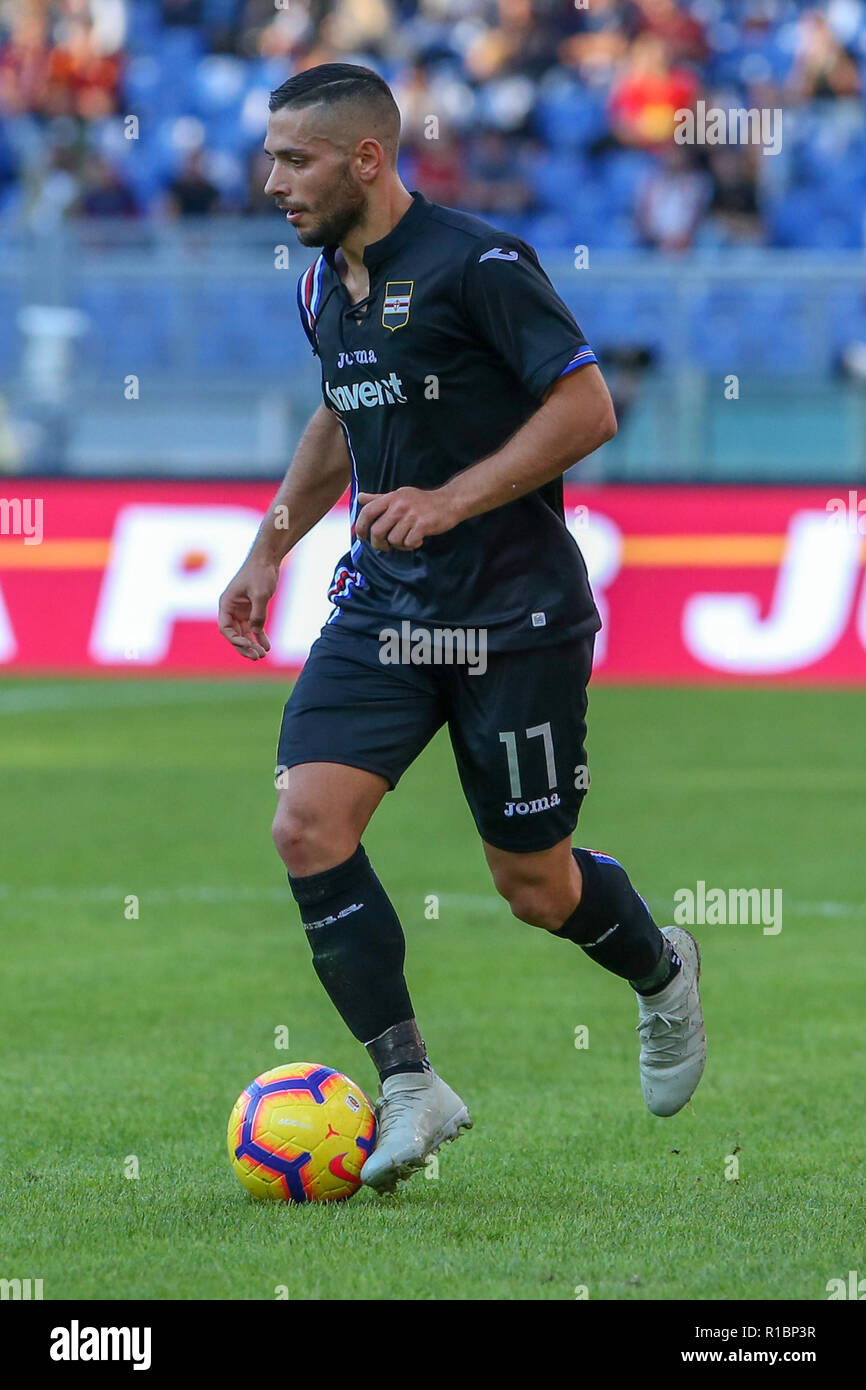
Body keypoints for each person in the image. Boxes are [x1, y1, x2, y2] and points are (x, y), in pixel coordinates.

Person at [218, 62, 706, 1194]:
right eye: (269, 156)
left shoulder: (479, 265)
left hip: (515, 616)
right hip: (382, 609)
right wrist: (268, 545)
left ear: (366, 159)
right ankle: (407, 1082)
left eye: (293, 160)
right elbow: (344, 413)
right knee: (307, 823)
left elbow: (587, 406)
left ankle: (660, 969)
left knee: (531, 884)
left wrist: (445, 500)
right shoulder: (320, 287)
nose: (270, 182)